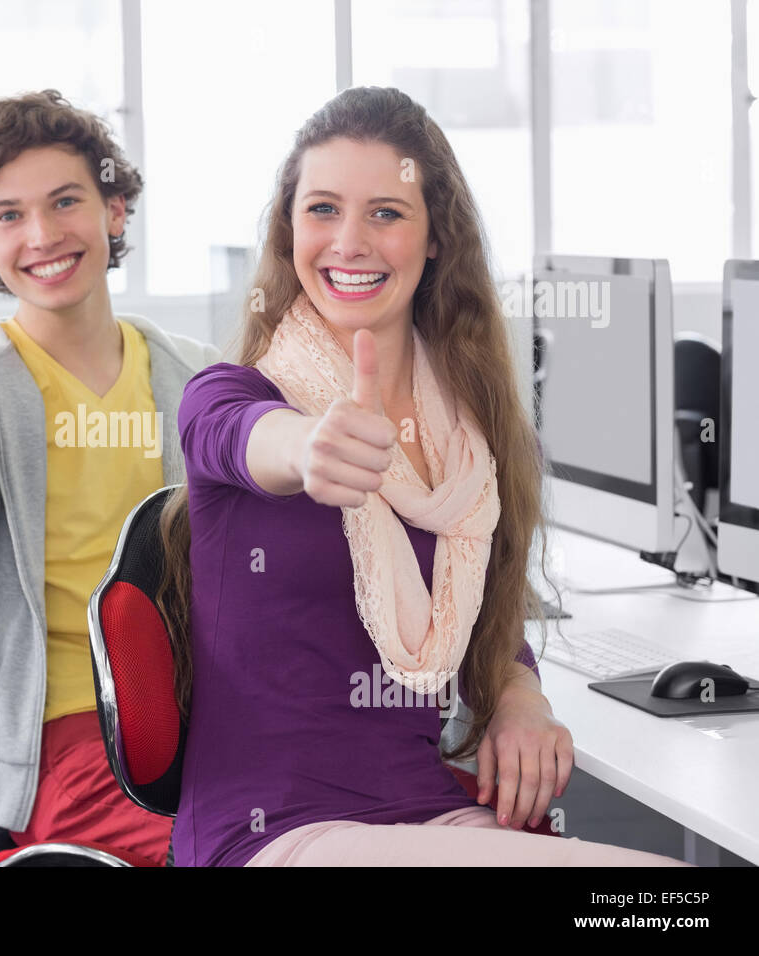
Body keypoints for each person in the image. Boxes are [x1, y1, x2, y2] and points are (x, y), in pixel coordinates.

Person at [157, 86, 689, 866]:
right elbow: (242, 441)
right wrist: (310, 448)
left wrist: (518, 694)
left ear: (436, 236)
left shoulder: (469, 434)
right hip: (271, 831)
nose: (348, 241)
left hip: (424, 811)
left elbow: (480, 614)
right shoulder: (234, 395)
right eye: (322, 210)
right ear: (289, 229)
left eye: (386, 213)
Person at [0, 90, 219, 864]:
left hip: (206, 720)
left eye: (67, 201)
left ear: (116, 210)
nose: (42, 235)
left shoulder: (196, 373)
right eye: (7, 216)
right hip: (56, 736)